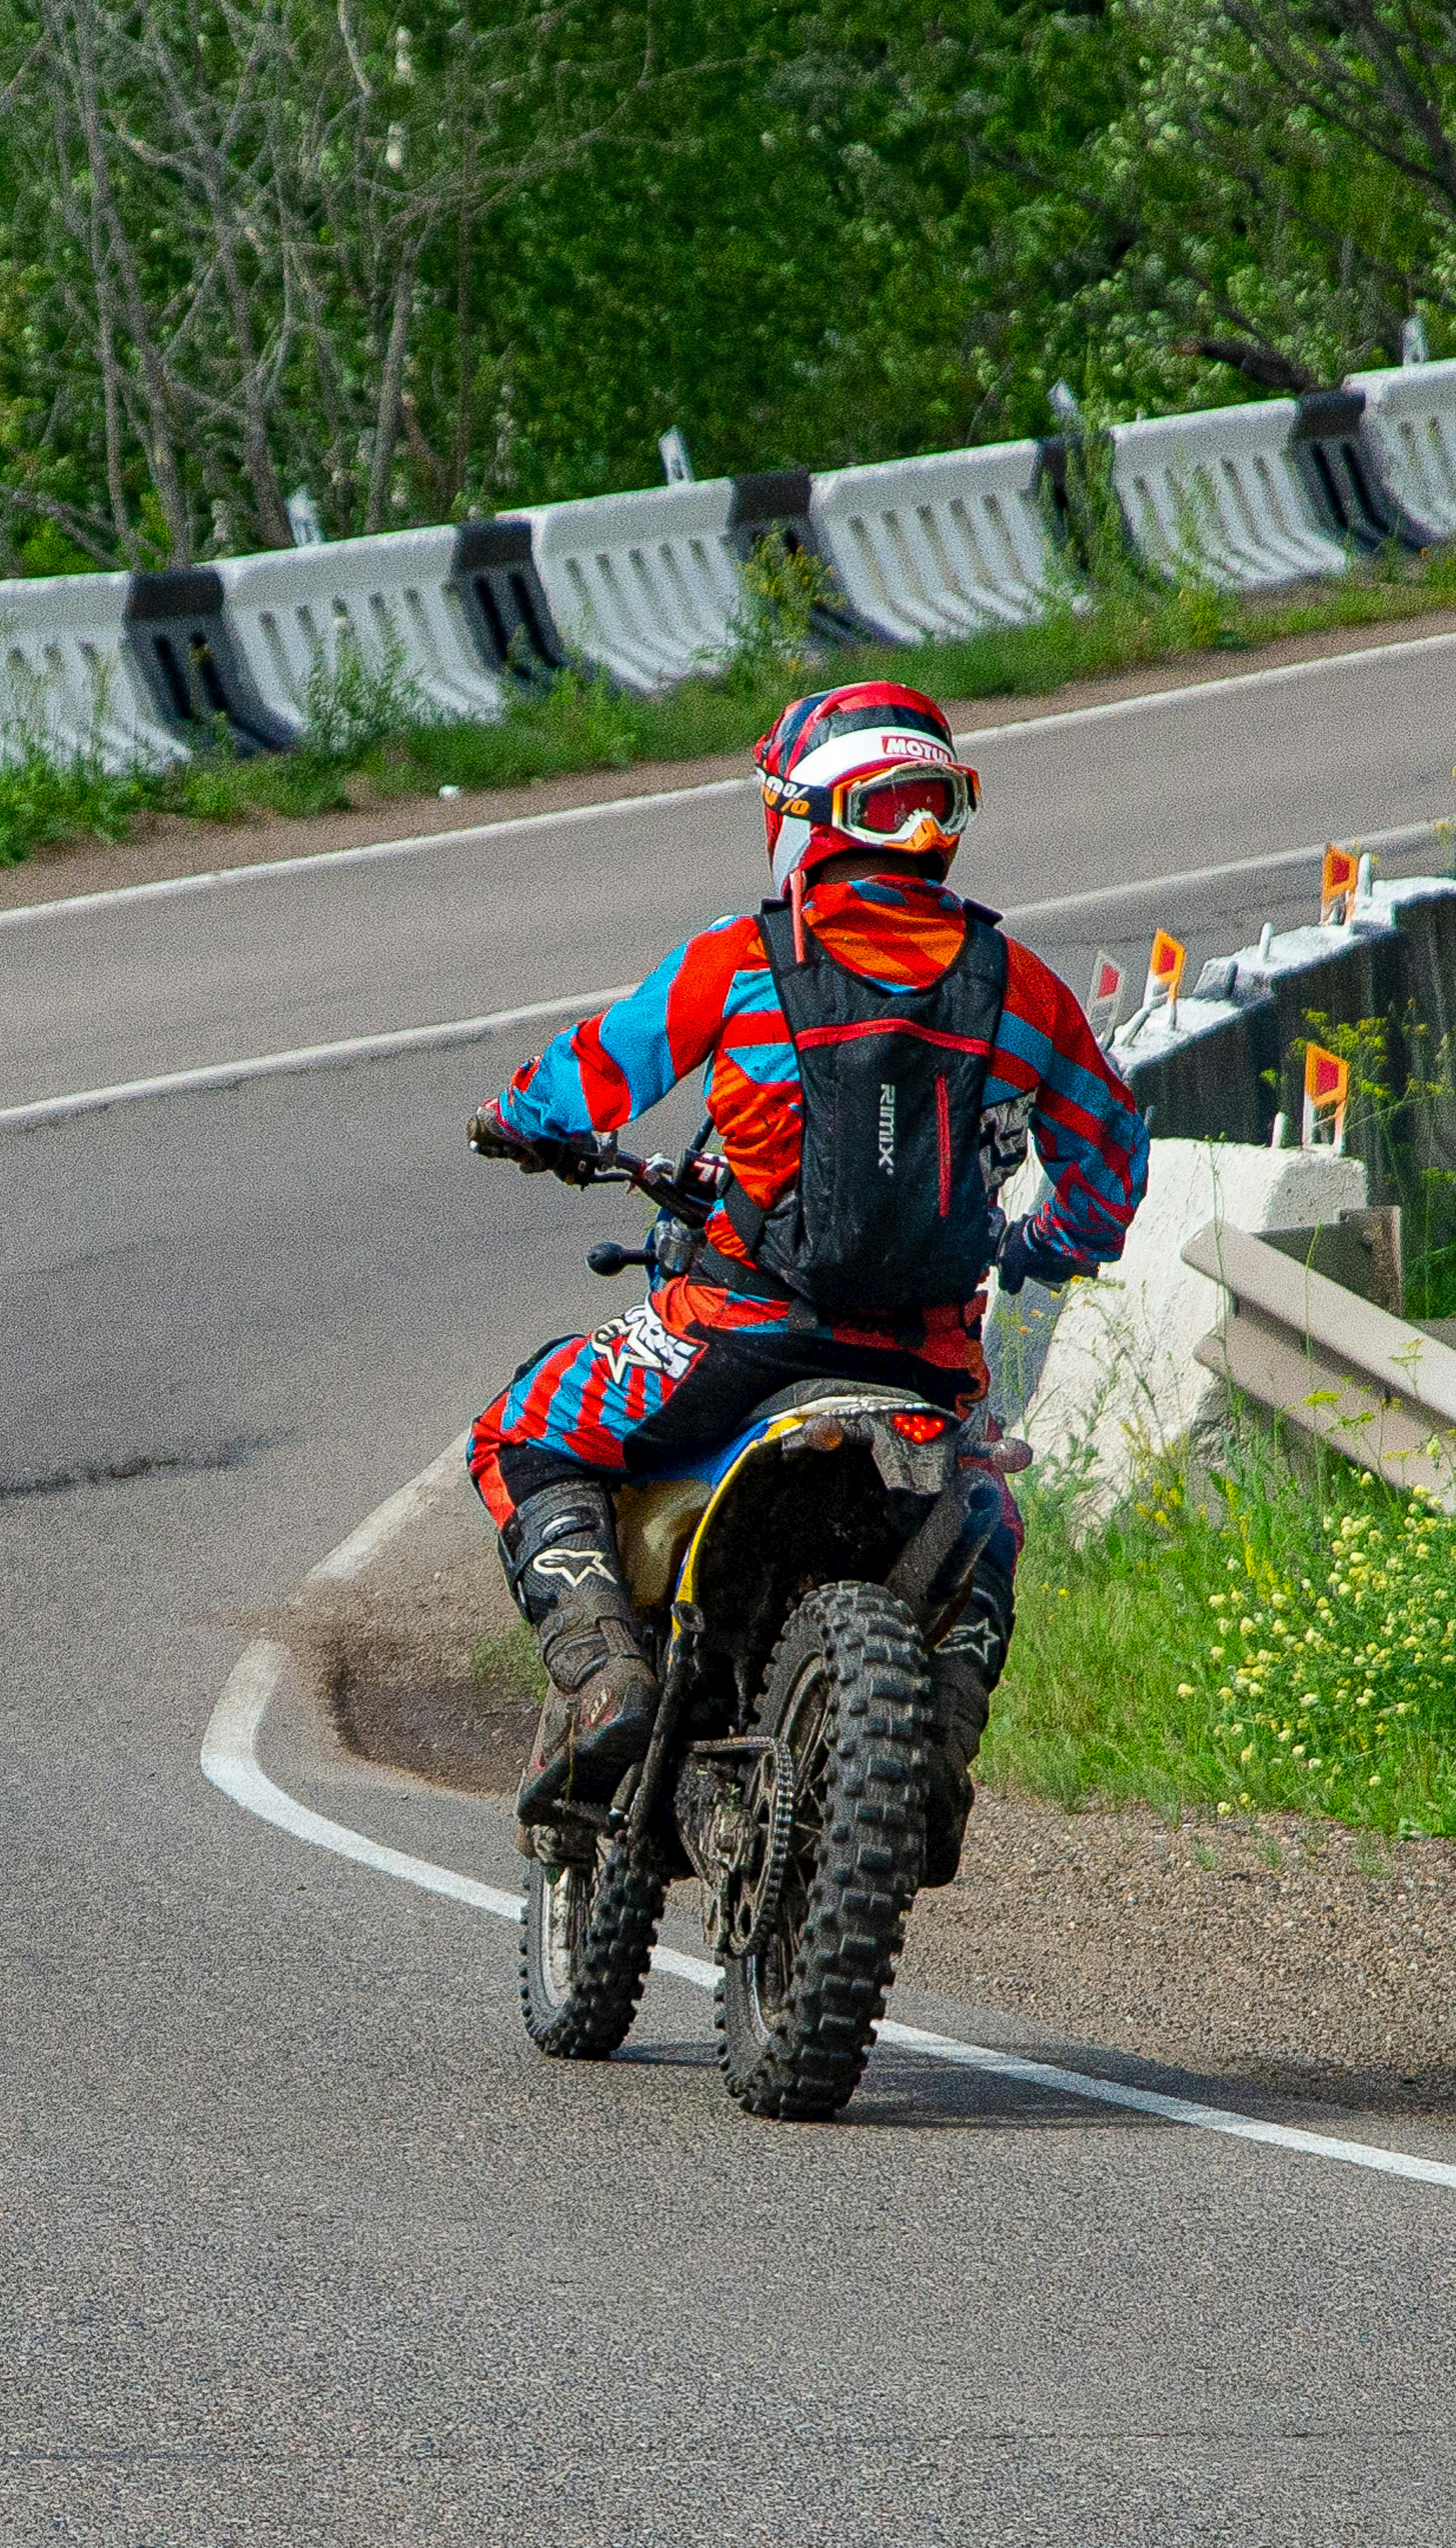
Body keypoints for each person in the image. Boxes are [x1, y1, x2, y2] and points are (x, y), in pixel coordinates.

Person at [466, 680, 1148, 1875]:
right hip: (921, 1363)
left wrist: (516, 1118)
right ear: (941, 819)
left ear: (801, 818)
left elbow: (581, 1087)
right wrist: (1038, 1246)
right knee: (982, 1514)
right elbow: (1109, 1165)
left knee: (518, 1433)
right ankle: (938, 1737)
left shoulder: (736, 961)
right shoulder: (1023, 989)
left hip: (737, 1331)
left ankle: (604, 1677)